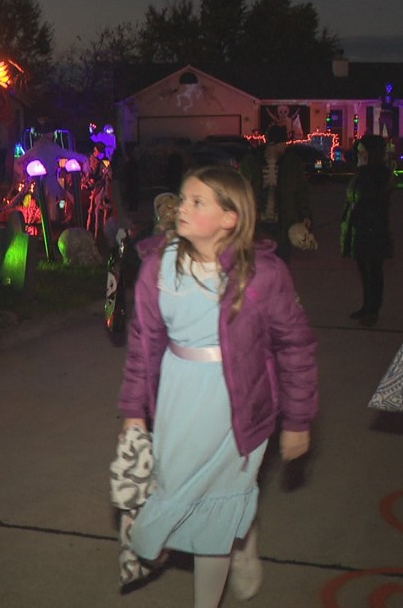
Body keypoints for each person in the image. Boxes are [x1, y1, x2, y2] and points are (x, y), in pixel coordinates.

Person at [118, 166, 318, 608]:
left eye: (196, 202)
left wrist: (298, 420)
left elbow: (296, 348)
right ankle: (242, 540)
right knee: (174, 494)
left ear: (229, 218)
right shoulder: (158, 267)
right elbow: (142, 344)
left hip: (237, 406)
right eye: (181, 199)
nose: (179, 208)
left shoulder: (263, 274)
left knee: (214, 511)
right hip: (178, 398)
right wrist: (134, 409)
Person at [238, 124, 313, 262]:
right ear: (275, 143)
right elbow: (240, 191)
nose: (285, 145)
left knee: (282, 261)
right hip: (258, 224)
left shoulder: (292, 163)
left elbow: (301, 191)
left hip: (283, 223)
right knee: (259, 262)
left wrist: (305, 214)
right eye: (283, 142)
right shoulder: (251, 162)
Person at [340, 134, 393, 327]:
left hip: (374, 229)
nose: (360, 155)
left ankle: (373, 309)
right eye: (359, 151)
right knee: (363, 269)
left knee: (374, 271)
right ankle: (366, 306)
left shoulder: (380, 174)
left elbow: (372, 199)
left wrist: (363, 174)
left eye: (364, 152)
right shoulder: (361, 172)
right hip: (359, 228)